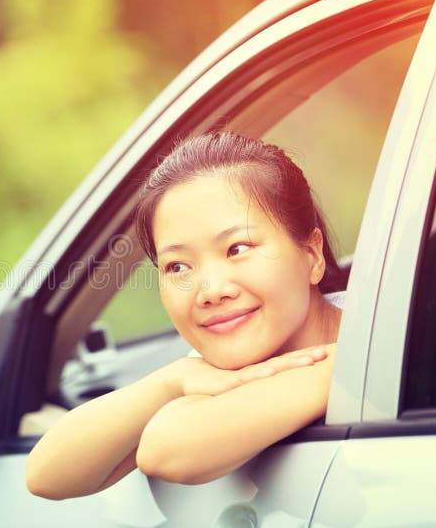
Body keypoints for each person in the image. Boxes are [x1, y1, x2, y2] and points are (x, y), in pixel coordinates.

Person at [26, 131, 346, 500]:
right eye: (178, 267)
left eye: (237, 248)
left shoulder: (395, 339)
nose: (210, 291)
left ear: (312, 254)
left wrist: (352, 365)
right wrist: (173, 380)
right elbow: (46, 474)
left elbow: (166, 449)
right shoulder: (213, 374)